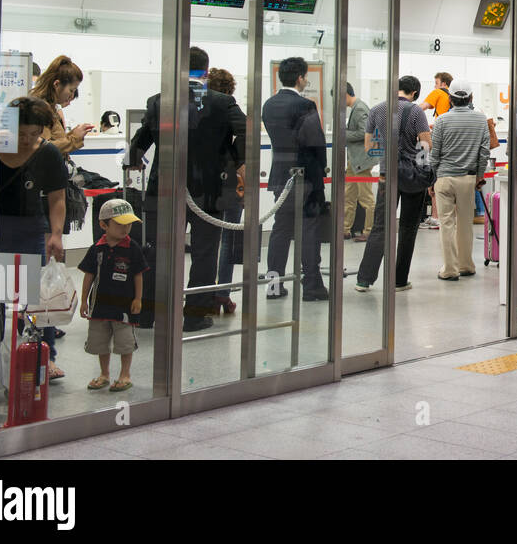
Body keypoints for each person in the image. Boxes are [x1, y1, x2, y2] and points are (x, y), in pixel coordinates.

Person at [129, 47, 246, 331]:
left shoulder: (159, 101)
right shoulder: (223, 101)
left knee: (157, 251)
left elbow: (142, 138)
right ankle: (195, 315)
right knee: (205, 253)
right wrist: (232, 158)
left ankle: (147, 313)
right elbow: (246, 130)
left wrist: (134, 160)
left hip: (164, 188)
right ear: (206, 72)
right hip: (209, 189)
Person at [0, 97, 67, 381]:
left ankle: (44, 356)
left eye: (34, 133)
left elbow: (57, 197)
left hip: (30, 229)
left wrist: (56, 235)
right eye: (21, 133)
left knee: (35, 299)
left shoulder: (47, 153)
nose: (27, 140)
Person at [354, 75, 431, 293]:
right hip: (411, 179)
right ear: (415, 93)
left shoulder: (377, 110)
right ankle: (399, 280)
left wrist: (386, 158)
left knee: (380, 226)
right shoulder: (416, 111)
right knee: (408, 227)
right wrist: (418, 166)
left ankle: (364, 280)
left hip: (386, 176)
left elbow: (369, 147)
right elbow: (425, 144)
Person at [262, 57, 329, 302]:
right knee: (309, 229)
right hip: (305, 176)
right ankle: (311, 286)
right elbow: (316, 142)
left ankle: (273, 284)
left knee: (281, 229)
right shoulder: (306, 105)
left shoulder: (269, 105)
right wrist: (322, 168)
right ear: (300, 78)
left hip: (280, 175)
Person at [78, 199, 148, 392]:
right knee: (100, 341)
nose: (125, 229)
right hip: (99, 305)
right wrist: (84, 300)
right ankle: (104, 374)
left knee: (125, 342)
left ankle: (125, 374)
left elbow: (138, 275)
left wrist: (138, 299)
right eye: (119, 224)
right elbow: (89, 275)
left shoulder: (132, 248)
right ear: (103, 225)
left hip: (124, 306)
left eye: (129, 224)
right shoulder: (96, 249)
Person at [428, 80, 490, 281]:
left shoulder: (441, 121)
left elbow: (434, 154)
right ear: (471, 98)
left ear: (450, 99)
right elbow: (484, 152)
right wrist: (480, 175)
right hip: (468, 178)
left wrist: (431, 177)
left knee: (446, 223)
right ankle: (466, 265)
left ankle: (449, 269)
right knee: (465, 223)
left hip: (444, 178)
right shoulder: (481, 120)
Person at [206, 68, 244, 312]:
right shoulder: (229, 108)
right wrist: (235, 158)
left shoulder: (198, 110)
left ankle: (202, 292)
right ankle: (222, 293)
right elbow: (246, 131)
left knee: (206, 242)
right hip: (227, 178)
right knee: (228, 240)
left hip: (199, 184)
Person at [30, 56, 93, 158]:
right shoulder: (39, 109)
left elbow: (52, 141)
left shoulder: (50, 108)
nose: (71, 96)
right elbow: (43, 149)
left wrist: (74, 134)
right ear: (57, 84)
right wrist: (74, 139)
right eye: (71, 90)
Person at [419, 72, 454, 230]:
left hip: (439, 141)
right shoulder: (453, 98)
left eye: (436, 82)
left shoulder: (438, 93)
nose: (434, 86)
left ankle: (436, 217)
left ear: (443, 84)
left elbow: (421, 108)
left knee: (433, 177)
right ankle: (439, 216)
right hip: (452, 142)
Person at [343, 82, 378, 242]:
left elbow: (365, 132)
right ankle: (345, 229)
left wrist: (343, 134)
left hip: (361, 160)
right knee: (348, 195)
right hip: (355, 159)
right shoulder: (356, 108)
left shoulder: (360, 108)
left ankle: (369, 230)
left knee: (366, 197)